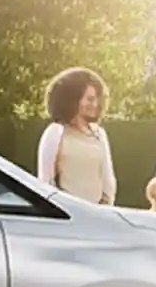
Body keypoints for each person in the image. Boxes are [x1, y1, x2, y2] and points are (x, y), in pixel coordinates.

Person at [36, 67, 117, 204]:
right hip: (67, 211)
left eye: (97, 99)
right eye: (90, 99)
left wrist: (106, 206)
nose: (95, 104)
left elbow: (108, 181)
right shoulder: (56, 132)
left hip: (97, 212)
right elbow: (46, 181)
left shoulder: (99, 134)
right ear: (72, 100)